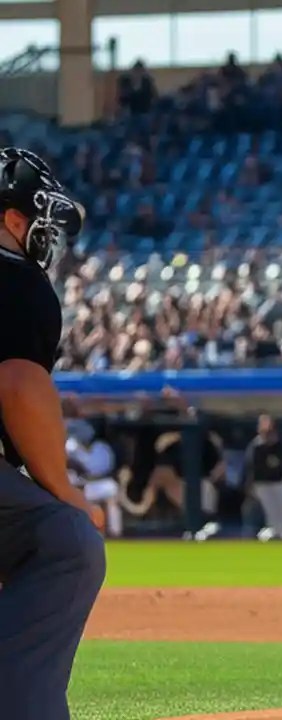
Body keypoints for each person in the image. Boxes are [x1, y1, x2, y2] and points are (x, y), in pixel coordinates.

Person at [0, 147, 106, 720]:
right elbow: (18, 381)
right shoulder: (15, 277)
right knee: (67, 541)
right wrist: (64, 492)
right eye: (39, 221)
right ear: (15, 219)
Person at [245, 414, 282, 541]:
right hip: (262, 483)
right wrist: (250, 485)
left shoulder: (280, 444)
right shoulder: (256, 446)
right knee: (270, 509)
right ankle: (274, 530)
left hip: (279, 481)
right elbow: (251, 466)